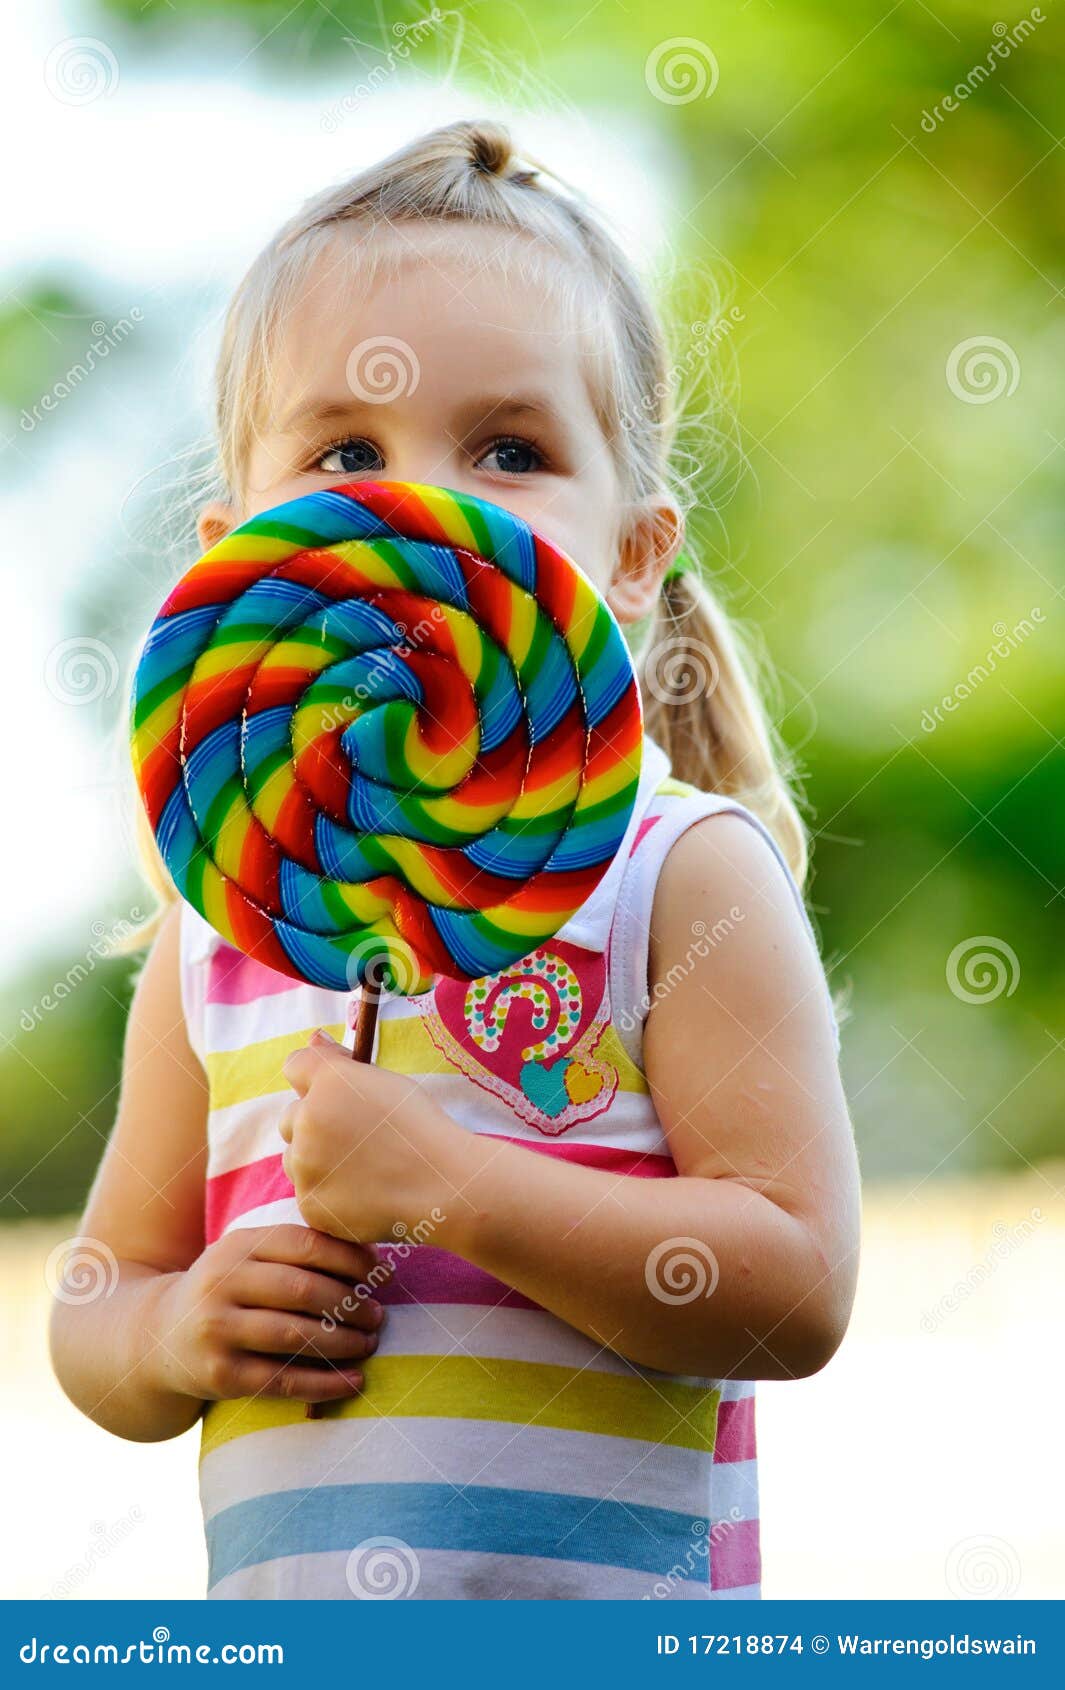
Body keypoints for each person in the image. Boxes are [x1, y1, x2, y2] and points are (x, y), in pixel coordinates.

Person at [51, 119, 860, 1601]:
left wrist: (453, 1188)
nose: (432, 508)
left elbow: (793, 1291)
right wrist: (167, 1337)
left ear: (632, 552)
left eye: (511, 449)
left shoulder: (677, 876)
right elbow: (99, 1291)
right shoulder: (224, 927)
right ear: (238, 555)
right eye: (346, 452)